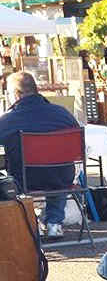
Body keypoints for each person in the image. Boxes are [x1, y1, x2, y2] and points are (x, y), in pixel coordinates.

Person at [0, 71, 80, 239]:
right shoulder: (63, 113)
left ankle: (22, 224)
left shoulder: (7, 121)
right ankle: (54, 223)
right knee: (57, 170)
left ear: (16, 94)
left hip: (24, 180)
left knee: (5, 178)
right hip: (62, 178)